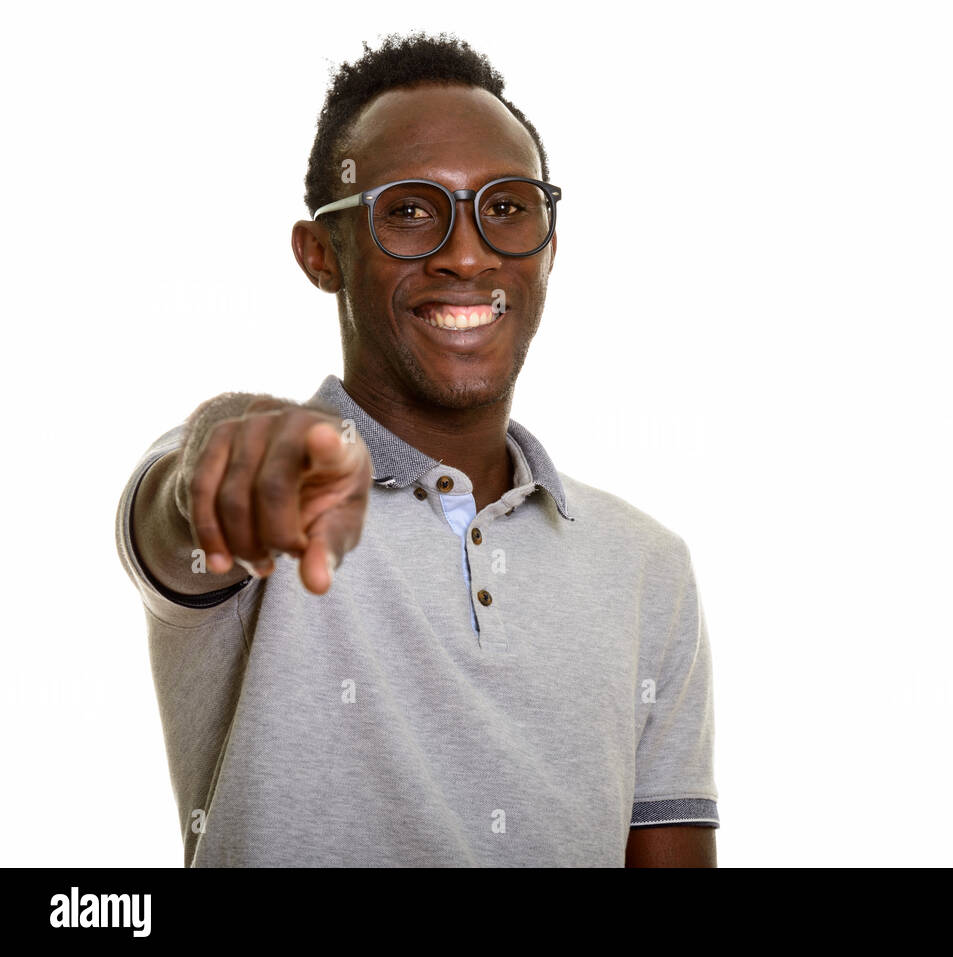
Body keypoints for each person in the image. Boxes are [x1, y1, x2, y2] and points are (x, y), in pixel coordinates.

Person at [113, 32, 719, 867]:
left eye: (506, 207)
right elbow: (182, 511)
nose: (467, 253)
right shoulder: (263, 483)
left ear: (549, 244)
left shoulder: (649, 565)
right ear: (321, 254)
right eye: (407, 210)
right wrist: (210, 462)